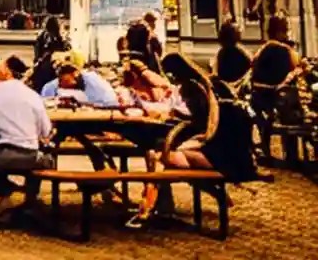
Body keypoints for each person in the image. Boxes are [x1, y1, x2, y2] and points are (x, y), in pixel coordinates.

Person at [127, 53, 259, 228]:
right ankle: (153, 207)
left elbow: (194, 120)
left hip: (221, 158)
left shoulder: (192, 89)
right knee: (164, 153)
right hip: (236, 157)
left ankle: (147, 209)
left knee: (158, 156)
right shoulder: (209, 84)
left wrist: (171, 114)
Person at [0, 56, 55, 218]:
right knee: (46, 160)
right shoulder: (33, 96)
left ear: (6, 72)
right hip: (32, 155)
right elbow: (46, 131)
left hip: (3, 154)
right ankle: (28, 196)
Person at [250, 14, 306, 162]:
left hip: (263, 97)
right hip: (274, 98)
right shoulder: (281, 50)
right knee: (292, 107)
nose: (287, 33)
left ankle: (267, 148)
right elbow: (290, 70)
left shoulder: (263, 49)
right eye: (285, 30)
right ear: (278, 31)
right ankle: (291, 154)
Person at [39, 63, 118, 107]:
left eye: (64, 80)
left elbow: (103, 102)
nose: (62, 84)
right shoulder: (51, 86)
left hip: (107, 110)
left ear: (74, 74)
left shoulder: (91, 80)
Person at [29, 17, 70, 91]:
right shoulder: (56, 37)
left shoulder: (43, 36)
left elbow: (38, 51)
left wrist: (37, 61)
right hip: (52, 67)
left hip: (43, 67)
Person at [212, 21, 252, 90]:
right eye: (237, 30)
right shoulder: (221, 53)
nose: (240, 31)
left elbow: (251, 68)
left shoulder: (242, 52)